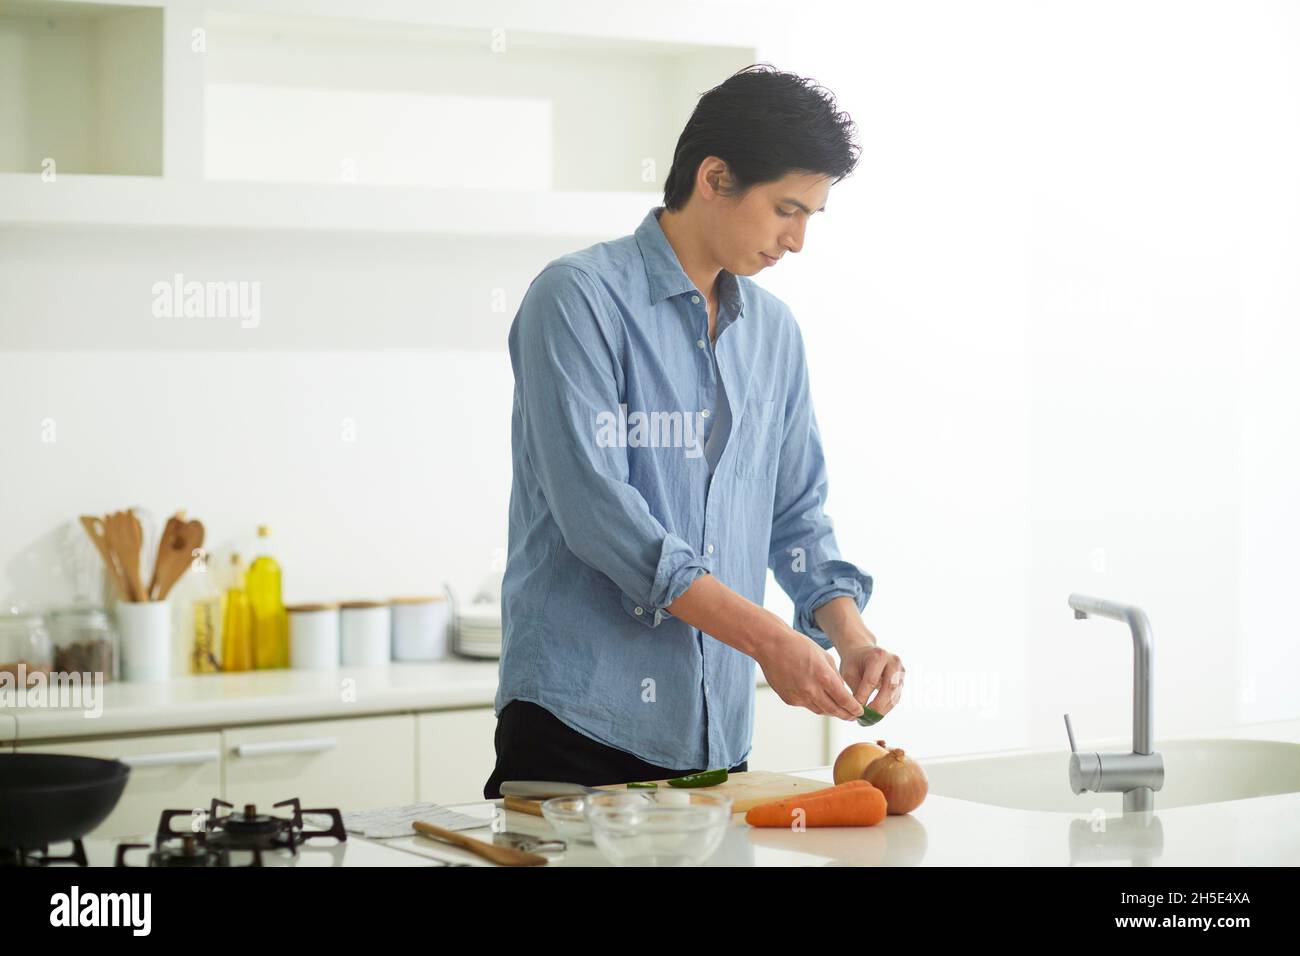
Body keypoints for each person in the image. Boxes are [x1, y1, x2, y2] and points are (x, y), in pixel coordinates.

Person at [484, 63, 906, 800]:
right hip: (578, 726)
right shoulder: (577, 299)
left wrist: (851, 636)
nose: (798, 240)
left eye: (811, 215)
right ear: (714, 177)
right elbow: (600, 519)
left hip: (714, 732)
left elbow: (796, 515)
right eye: (786, 209)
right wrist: (771, 640)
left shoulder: (774, 334)